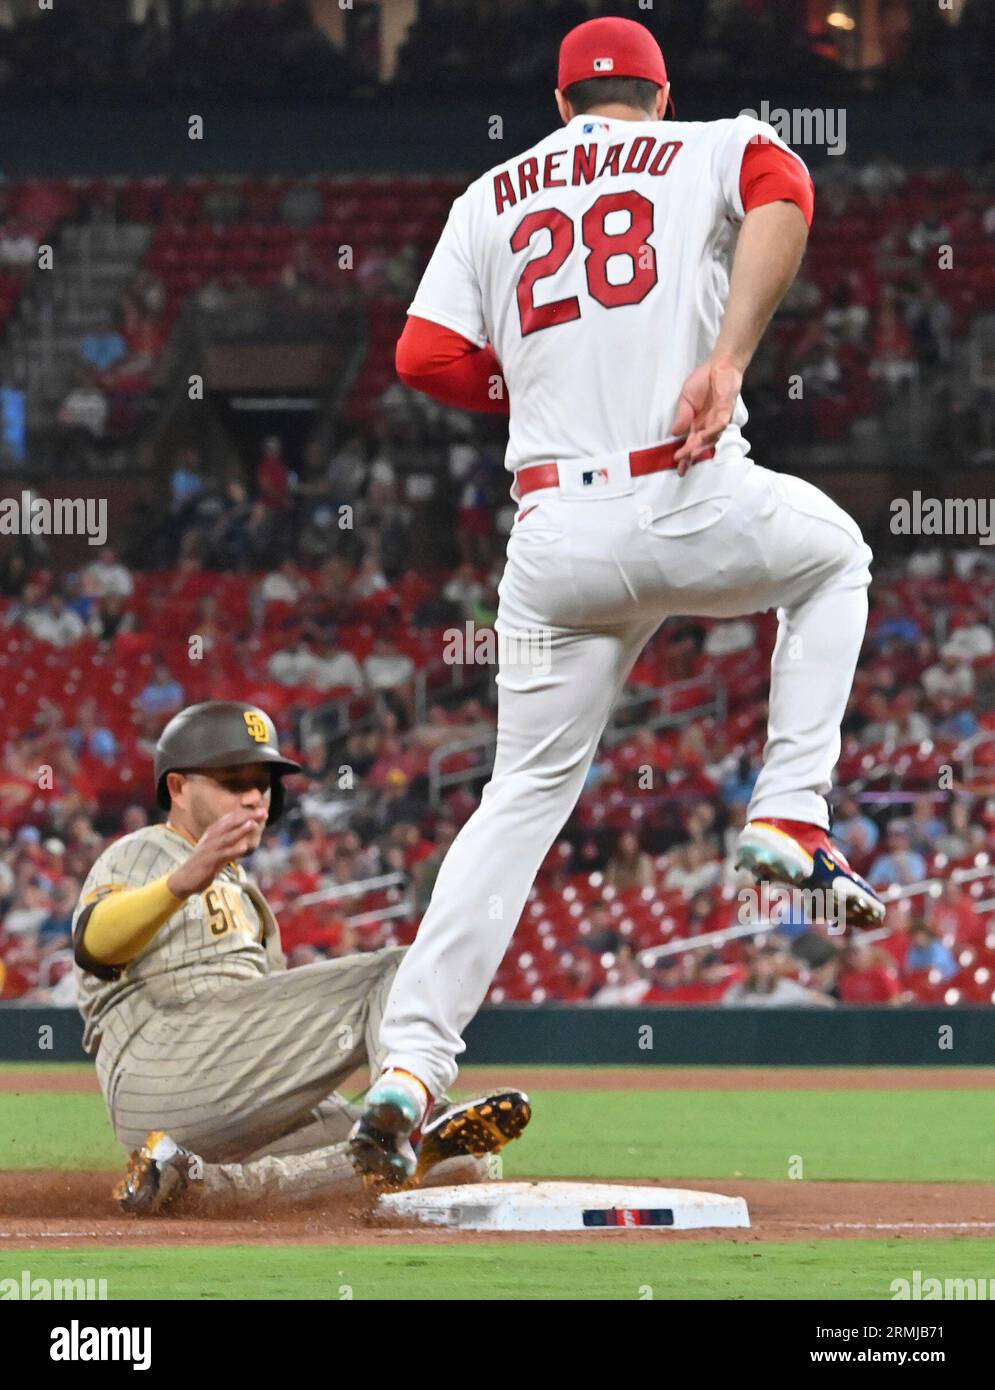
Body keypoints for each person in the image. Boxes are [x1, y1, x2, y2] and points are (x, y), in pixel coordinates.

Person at [349, 16, 882, 1180]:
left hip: (552, 537)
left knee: (515, 800)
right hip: (686, 494)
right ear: (658, 91)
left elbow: (421, 356)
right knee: (832, 560)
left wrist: (536, 384)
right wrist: (729, 356)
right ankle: (789, 811)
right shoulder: (709, 143)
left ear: (558, 103)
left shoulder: (489, 193)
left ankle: (407, 1064)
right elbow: (784, 189)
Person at [72, 701, 530, 1213]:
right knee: (402, 968)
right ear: (178, 788)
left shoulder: (241, 891)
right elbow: (94, 945)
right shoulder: (148, 851)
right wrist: (182, 880)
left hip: (223, 1097)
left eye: (262, 784)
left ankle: (189, 1181)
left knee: (458, 1165)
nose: (253, 798)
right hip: (163, 1064)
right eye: (232, 781)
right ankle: (413, 1108)